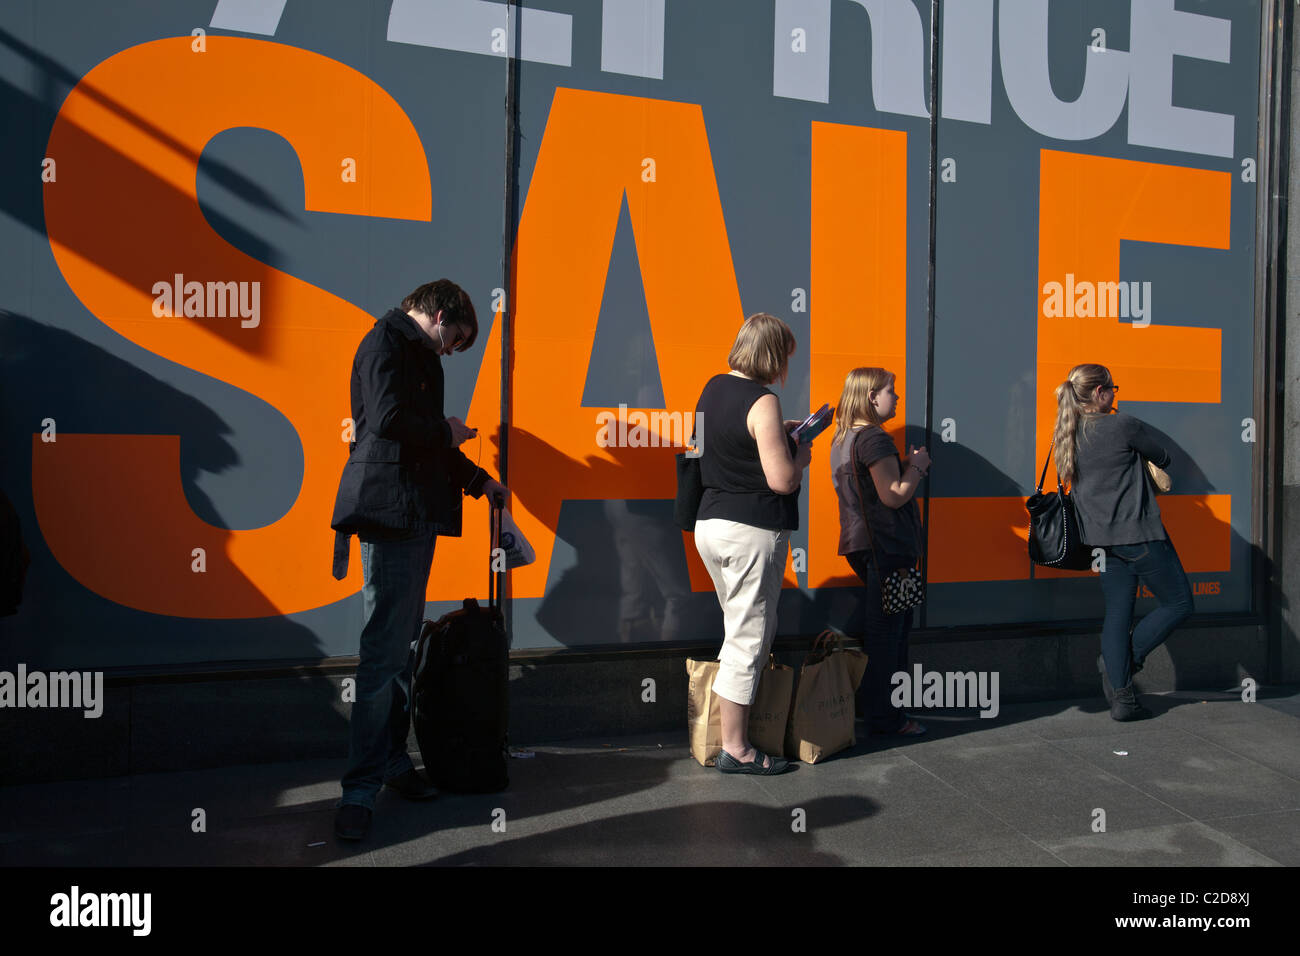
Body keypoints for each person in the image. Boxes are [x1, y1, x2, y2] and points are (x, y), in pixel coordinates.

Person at [329, 279, 508, 840]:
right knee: (383, 656)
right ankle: (360, 790)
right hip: (391, 514)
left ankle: (390, 762)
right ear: (436, 314)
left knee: (401, 649)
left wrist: (478, 480)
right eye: (453, 338)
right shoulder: (385, 343)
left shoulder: (415, 352)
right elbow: (386, 421)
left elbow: (427, 447)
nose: (451, 351)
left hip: (411, 514)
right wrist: (449, 431)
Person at [693, 313, 810, 774]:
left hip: (710, 525)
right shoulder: (763, 401)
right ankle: (736, 748)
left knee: (738, 627)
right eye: (784, 356)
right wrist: (801, 454)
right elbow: (781, 480)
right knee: (748, 636)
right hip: (751, 530)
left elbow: (707, 449)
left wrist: (777, 435)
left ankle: (730, 736)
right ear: (773, 354)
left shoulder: (711, 389)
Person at [1053, 363, 1192, 721]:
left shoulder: (1067, 431)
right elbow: (1164, 457)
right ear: (1100, 393)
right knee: (1179, 603)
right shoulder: (1122, 425)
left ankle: (1124, 698)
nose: (1116, 393)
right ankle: (1122, 666)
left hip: (1099, 543)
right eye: (1113, 388)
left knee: (1118, 613)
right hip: (1140, 535)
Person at [829, 367, 928, 736]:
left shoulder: (844, 438)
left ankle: (875, 712)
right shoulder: (874, 439)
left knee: (882, 630)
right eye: (891, 391)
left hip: (864, 546)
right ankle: (887, 718)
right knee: (890, 634)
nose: (897, 397)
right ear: (872, 396)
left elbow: (872, 491)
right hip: (889, 547)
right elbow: (894, 494)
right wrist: (917, 467)